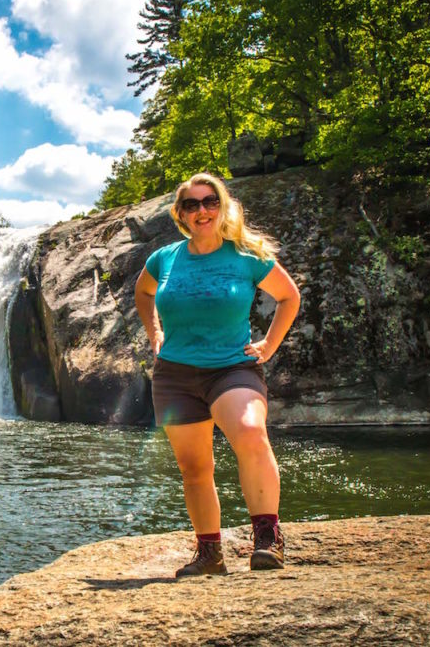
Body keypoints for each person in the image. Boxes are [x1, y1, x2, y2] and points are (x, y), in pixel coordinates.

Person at [134, 172, 300, 575]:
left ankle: (267, 539)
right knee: (195, 468)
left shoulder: (246, 256)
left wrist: (269, 345)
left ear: (221, 206)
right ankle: (210, 555)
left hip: (231, 368)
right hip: (175, 375)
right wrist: (154, 331)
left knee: (249, 430)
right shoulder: (166, 258)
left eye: (210, 202)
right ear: (181, 213)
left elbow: (289, 296)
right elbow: (143, 292)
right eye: (192, 205)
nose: (202, 211)